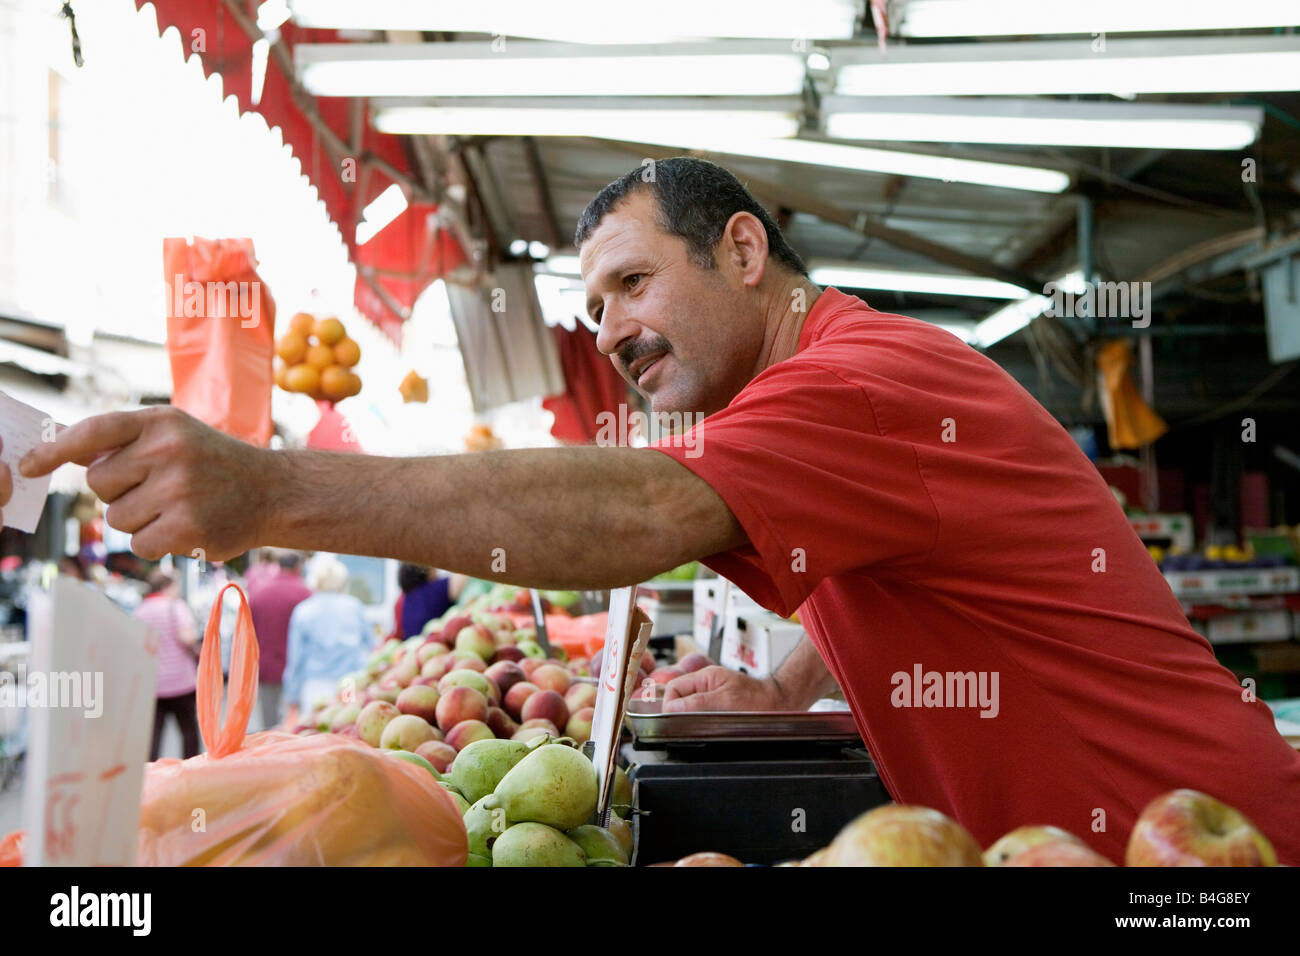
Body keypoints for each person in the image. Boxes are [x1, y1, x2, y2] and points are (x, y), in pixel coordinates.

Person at [7, 157, 1300, 864]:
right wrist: (792, 678)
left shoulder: (864, 378)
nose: (612, 331)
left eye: (633, 284)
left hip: (1188, 854)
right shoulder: (849, 388)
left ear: (743, 251)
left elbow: (640, 507)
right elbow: (890, 563)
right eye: (594, 308)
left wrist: (275, 486)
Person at [282, 558, 372, 722]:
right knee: (346, 729)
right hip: (349, 682)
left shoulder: (303, 610)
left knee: (315, 732)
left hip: (315, 685)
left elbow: (295, 659)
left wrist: (292, 696)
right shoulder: (354, 606)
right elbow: (371, 646)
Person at [134, 570, 200, 760]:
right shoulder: (175, 607)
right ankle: (191, 768)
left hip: (154, 682)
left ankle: (152, 773)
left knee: (154, 734)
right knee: (188, 730)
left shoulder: (141, 610)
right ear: (167, 587)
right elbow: (187, 638)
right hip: (181, 681)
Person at [247, 550, 311, 729]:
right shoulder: (305, 593)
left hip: (266, 666)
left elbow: (249, 633)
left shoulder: (259, 594)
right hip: (298, 669)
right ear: (298, 567)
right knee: (298, 724)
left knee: (269, 722)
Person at [395, 563, 462, 639]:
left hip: (414, 647)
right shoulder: (433, 591)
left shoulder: (404, 599)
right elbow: (463, 574)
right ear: (426, 570)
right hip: (435, 644)